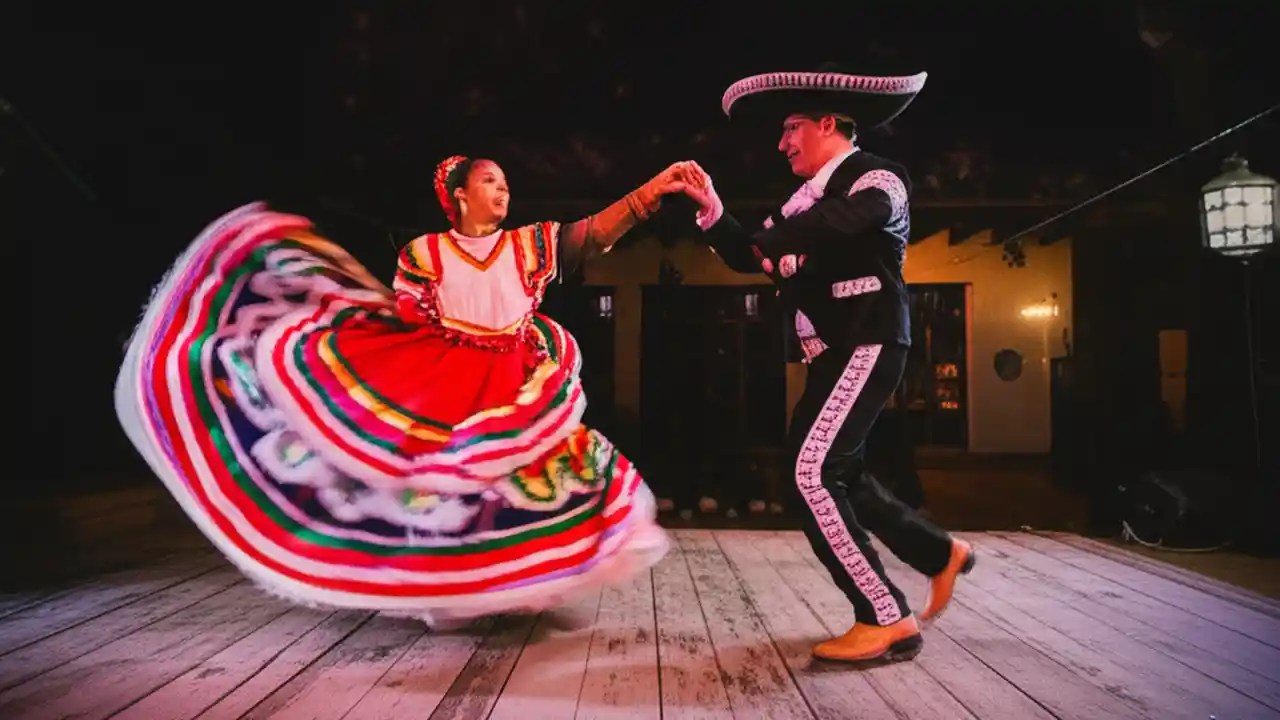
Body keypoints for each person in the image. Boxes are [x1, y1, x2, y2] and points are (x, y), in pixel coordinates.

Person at [114, 155, 695, 627]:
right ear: (460, 195)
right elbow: (413, 319)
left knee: (526, 476)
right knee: (438, 479)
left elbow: (591, 234)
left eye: (506, 183)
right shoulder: (425, 254)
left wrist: (648, 193)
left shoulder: (529, 245)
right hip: (444, 374)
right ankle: (450, 590)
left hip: (513, 373)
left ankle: (508, 581)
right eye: (490, 181)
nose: (503, 191)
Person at [680, 63, 975, 665]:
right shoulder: (804, 204)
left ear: (828, 124)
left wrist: (773, 240)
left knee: (812, 474)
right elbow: (753, 253)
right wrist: (713, 209)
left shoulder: (878, 180)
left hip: (869, 340)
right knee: (830, 470)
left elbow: (833, 225)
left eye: (792, 128)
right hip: (837, 351)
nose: (782, 142)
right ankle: (936, 553)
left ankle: (884, 616)